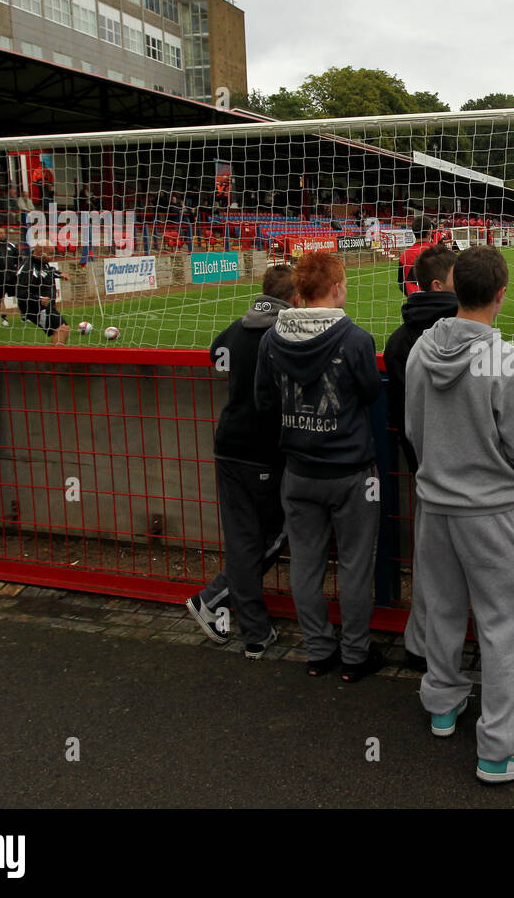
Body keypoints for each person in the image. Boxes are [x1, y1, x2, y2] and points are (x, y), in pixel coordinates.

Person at [405, 245, 514, 783]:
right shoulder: (505, 359)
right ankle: (500, 748)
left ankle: (442, 703)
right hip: (488, 511)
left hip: (437, 504)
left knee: (442, 607)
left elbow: (415, 430)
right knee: (506, 623)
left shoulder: (421, 350)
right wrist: (503, 483)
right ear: (500, 293)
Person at [255, 252, 386, 682]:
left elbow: (264, 401)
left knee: (306, 565)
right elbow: (370, 391)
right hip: (349, 470)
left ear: (298, 293)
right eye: (344, 285)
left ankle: (318, 651)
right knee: (353, 565)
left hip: (299, 469)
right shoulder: (355, 339)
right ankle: (354, 655)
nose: (346, 291)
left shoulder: (271, 339)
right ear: (334, 289)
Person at [185, 264, 296, 658]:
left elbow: (216, 358)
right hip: (260, 450)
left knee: (242, 539)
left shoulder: (237, 328)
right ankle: (214, 600)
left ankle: (254, 632)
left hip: (228, 444)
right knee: (272, 536)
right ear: (294, 299)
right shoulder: (283, 334)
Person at [382, 244, 459, 670]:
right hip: (472, 477)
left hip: (424, 467)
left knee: (430, 560)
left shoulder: (399, 340)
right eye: (454, 278)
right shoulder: (471, 330)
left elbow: (403, 416)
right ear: (437, 284)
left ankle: (422, 647)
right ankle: (458, 659)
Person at [15, 237, 70, 345]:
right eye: (50, 254)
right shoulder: (28, 268)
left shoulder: (41, 261)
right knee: (62, 328)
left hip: (45, 306)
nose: (52, 257)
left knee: (64, 328)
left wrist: (58, 274)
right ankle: (56, 358)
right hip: (35, 308)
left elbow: (47, 271)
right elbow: (20, 293)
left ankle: (58, 356)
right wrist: (39, 299)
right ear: (41, 252)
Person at [398, 216, 437, 297]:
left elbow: (401, 284)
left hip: (414, 302)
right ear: (429, 231)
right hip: (436, 301)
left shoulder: (404, 256)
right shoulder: (438, 251)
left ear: (413, 232)